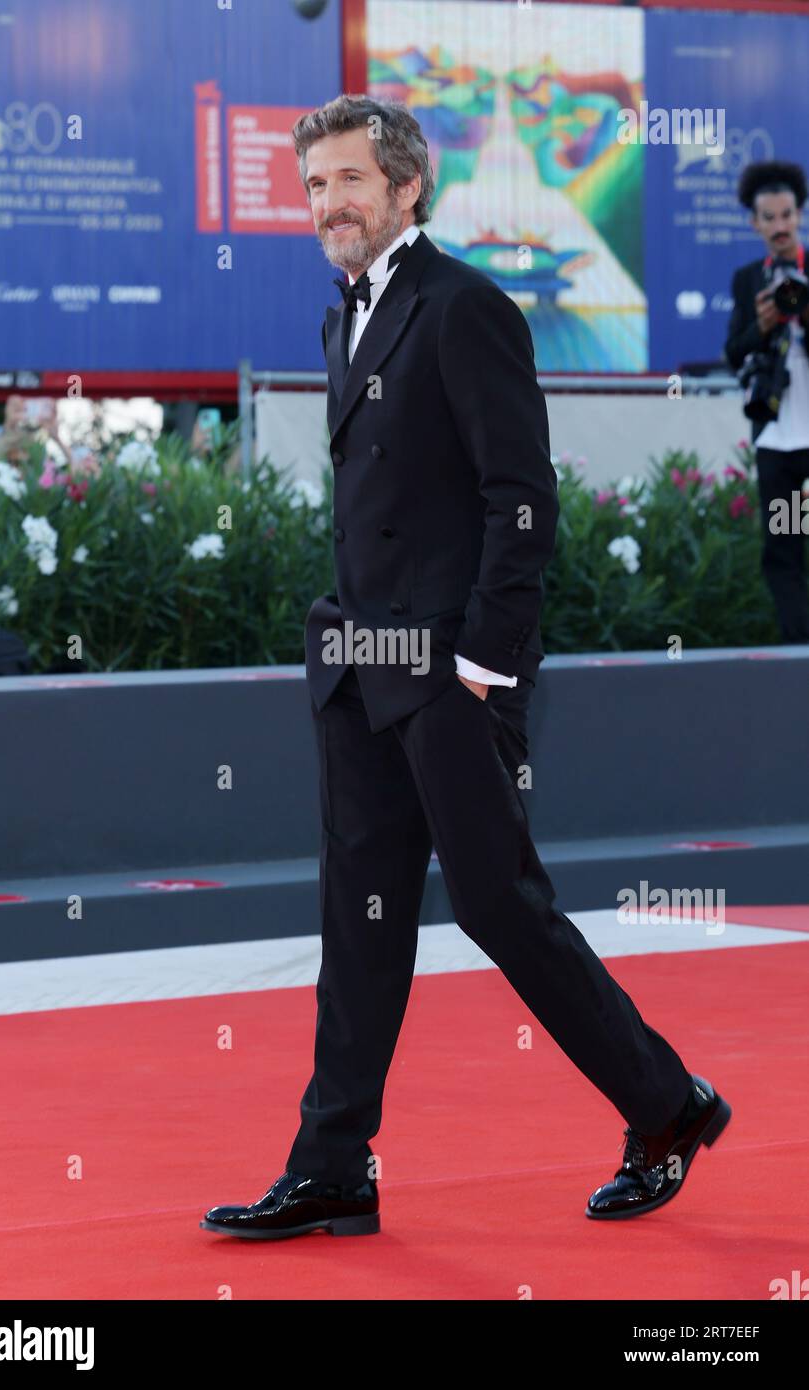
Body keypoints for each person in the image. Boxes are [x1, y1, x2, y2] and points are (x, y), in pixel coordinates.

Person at [201, 95, 730, 1242]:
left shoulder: (466, 309)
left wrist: (488, 662)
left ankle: (668, 1105)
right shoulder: (343, 318)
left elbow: (521, 499)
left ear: (404, 187)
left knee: (501, 906)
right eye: (311, 187)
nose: (326, 204)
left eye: (346, 181)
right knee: (360, 917)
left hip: (446, 670)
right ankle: (333, 1160)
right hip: (356, 663)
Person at [725, 160, 809, 643]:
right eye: (769, 218)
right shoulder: (746, 281)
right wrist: (763, 324)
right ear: (754, 223)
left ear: (799, 216)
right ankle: (800, 654)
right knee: (783, 550)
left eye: (787, 216)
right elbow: (733, 350)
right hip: (777, 441)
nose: (779, 226)